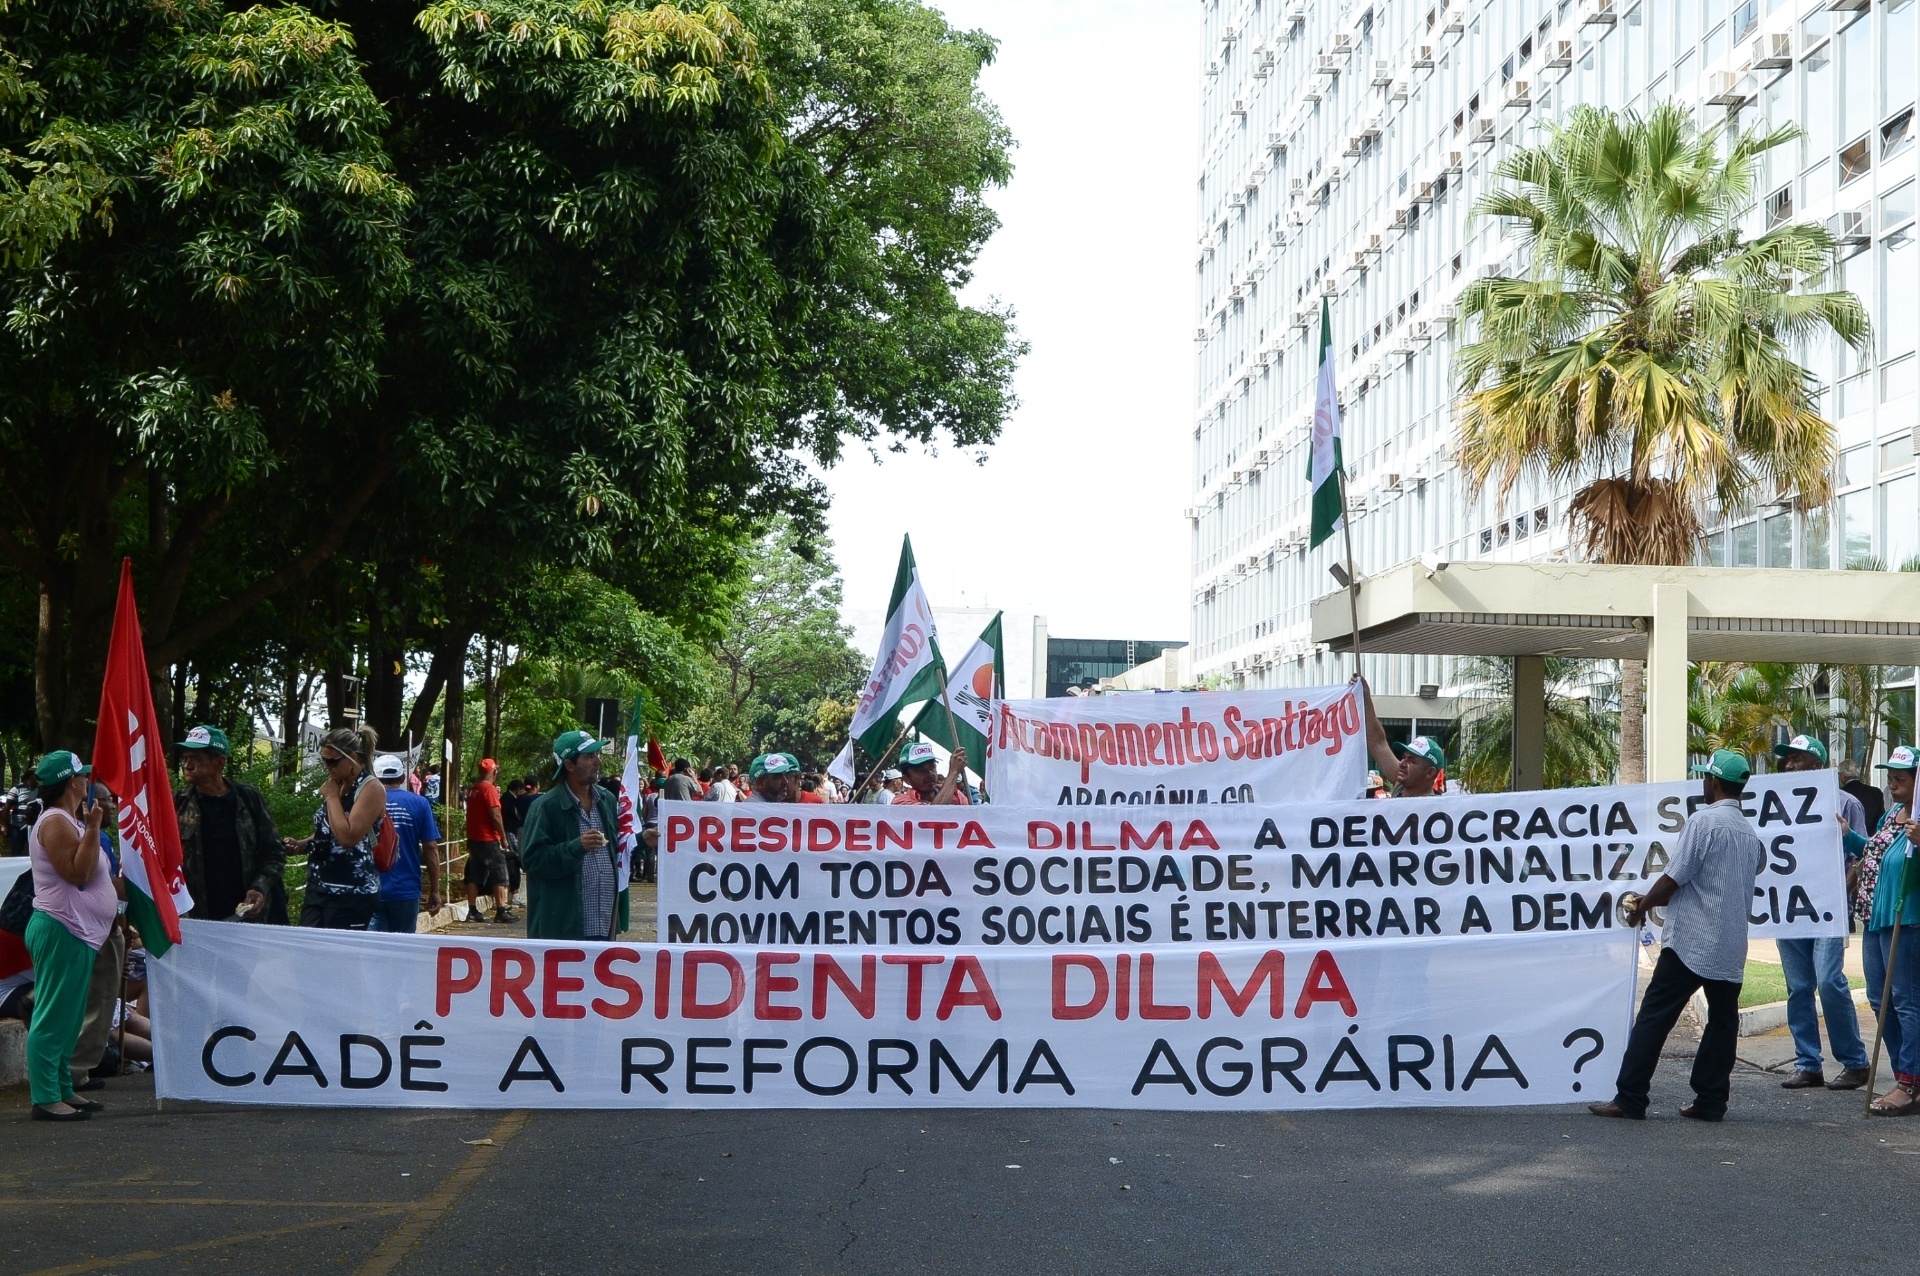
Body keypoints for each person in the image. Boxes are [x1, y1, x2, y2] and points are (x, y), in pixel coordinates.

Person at [1591, 750, 1766, 1122]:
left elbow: (1674, 876)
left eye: (1706, 778)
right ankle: (1711, 1101)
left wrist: (1642, 906)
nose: (1704, 783)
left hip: (1692, 940)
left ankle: (1631, 1097)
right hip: (1730, 943)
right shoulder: (1750, 834)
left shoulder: (1704, 822)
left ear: (1714, 783)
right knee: (1722, 1022)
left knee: (1654, 1017)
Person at [1769, 733, 1871, 1090]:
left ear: (1818, 765)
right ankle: (1808, 1062)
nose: (1791, 765)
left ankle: (1855, 1062)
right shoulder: (1775, 807)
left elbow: (1861, 856)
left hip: (1827, 909)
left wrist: (1840, 888)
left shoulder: (1846, 803)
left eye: (1798, 759)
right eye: (1788, 759)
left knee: (1829, 981)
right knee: (1798, 986)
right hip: (1789, 909)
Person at [23, 750, 117, 1121]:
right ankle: (45, 1097)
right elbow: (77, 872)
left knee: (70, 1015)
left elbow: (98, 878)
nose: (88, 783)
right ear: (72, 783)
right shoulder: (56, 822)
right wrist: (94, 826)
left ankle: (63, 1087)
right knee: (53, 1015)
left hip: (77, 932)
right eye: (83, 777)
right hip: (63, 927)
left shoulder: (68, 820)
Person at [1853, 745, 1920, 1114]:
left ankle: (1911, 1084)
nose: (1892, 785)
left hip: (1908, 919)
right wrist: (1850, 837)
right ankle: (1904, 1074)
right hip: (1877, 918)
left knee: (1909, 1003)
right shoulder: (1892, 814)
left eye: (1901, 779)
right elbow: (1874, 853)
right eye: (1890, 778)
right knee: (1880, 1000)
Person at [174, 724, 286, 925]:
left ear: (219, 762)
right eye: (185, 759)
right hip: (198, 919)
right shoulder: (178, 803)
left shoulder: (248, 799)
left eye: (196, 759)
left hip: (247, 918)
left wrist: (259, 888)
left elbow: (274, 853)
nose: (187, 765)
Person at [520, 730, 625, 941]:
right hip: (564, 930)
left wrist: (642, 841)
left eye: (597, 754)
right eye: (589, 757)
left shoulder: (607, 800)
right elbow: (532, 860)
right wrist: (576, 847)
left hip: (605, 925)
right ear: (569, 765)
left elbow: (616, 849)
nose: (598, 761)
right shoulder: (545, 807)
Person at [285, 727, 388, 930]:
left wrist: (332, 797)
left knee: (338, 958)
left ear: (352, 758)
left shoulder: (370, 788)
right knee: (306, 952)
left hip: (351, 893)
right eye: (324, 760)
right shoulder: (338, 784)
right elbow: (328, 831)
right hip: (319, 888)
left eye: (333, 761)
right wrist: (301, 845)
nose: (327, 767)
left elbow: (348, 838)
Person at [370, 754, 443, 932]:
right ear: (403, 778)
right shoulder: (420, 803)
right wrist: (435, 890)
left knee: (372, 952)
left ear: (374, 776)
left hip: (370, 888)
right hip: (406, 889)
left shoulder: (364, 803)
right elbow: (430, 848)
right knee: (402, 949)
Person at [1359, 680, 1442, 797]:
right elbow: (1378, 743)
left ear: (1429, 772)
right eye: (1404, 757)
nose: (1402, 763)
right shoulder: (1400, 786)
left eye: (1411, 760)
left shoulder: (1438, 810)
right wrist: (1365, 697)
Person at [463, 758, 513, 923]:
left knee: (475, 873)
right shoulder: (488, 789)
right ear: (493, 771)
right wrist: (504, 838)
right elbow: (495, 815)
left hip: (474, 838)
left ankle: (472, 910)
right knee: (499, 873)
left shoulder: (473, 790)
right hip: (488, 838)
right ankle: (501, 910)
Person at [893, 742, 969, 806]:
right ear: (906, 779)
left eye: (932, 766)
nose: (929, 773)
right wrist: (953, 772)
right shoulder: (900, 803)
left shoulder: (956, 795)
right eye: (920, 770)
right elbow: (934, 816)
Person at [1840, 757, 1886, 837]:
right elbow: (1881, 820)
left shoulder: (1841, 795)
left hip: (1848, 841)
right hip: (1873, 839)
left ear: (1843, 776)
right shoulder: (1876, 792)